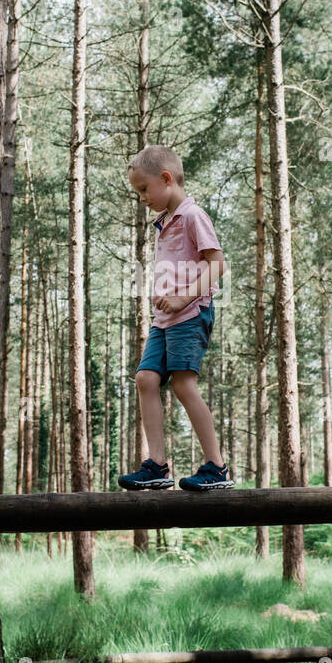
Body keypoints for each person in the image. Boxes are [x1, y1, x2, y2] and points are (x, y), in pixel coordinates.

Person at [117, 144, 234, 491]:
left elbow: (217, 264)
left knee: (183, 384)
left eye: (143, 189)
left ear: (166, 179)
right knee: (146, 380)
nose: (141, 198)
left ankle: (217, 467)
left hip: (191, 314)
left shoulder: (193, 215)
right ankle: (157, 466)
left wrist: (183, 297)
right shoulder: (164, 222)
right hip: (163, 320)